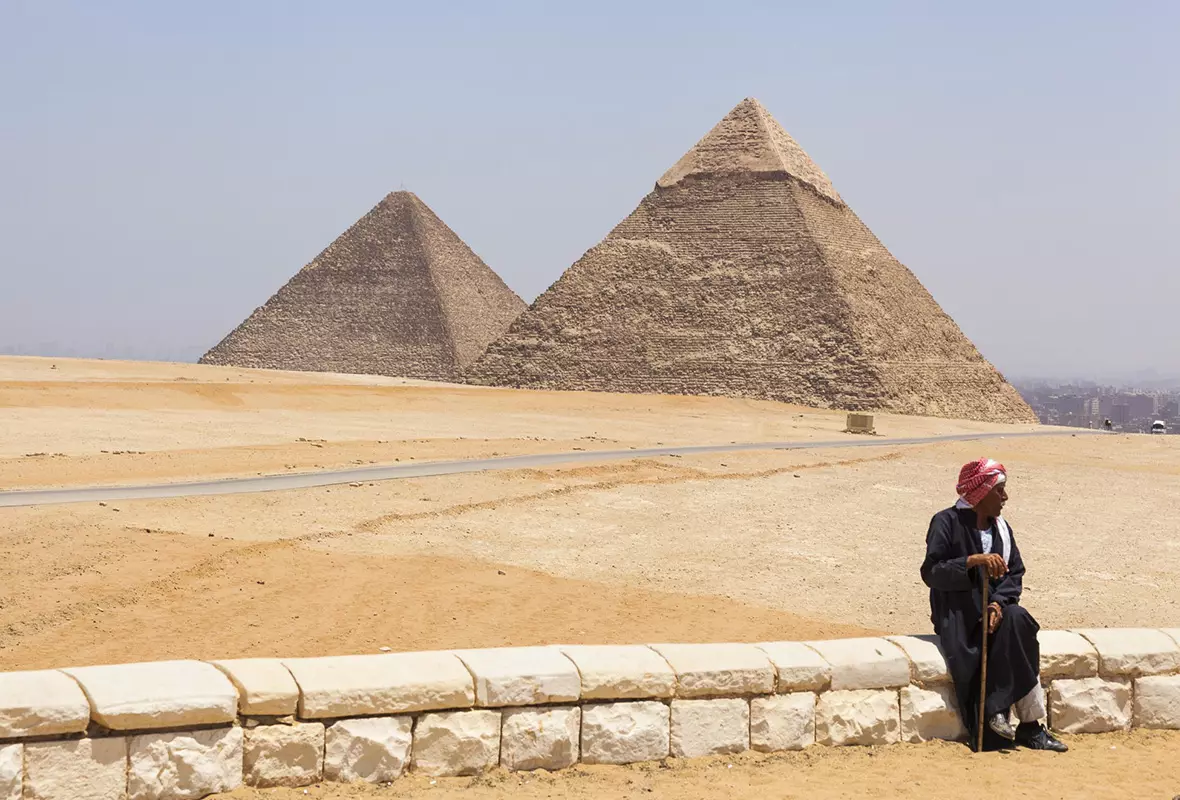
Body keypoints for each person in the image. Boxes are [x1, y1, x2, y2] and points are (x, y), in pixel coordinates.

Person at [920, 458, 1067, 752]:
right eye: (999, 491)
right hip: (958, 617)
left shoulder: (1002, 530)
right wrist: (972, 562)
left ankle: (1022, 722)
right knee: (1011, 645)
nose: (1005, 498)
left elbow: (1015, 573)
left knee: (1020, 623)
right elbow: (931, 572)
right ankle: (1015, 721)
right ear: (981, 492)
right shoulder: (945, 522)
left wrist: (998, 604)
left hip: (993, 615)